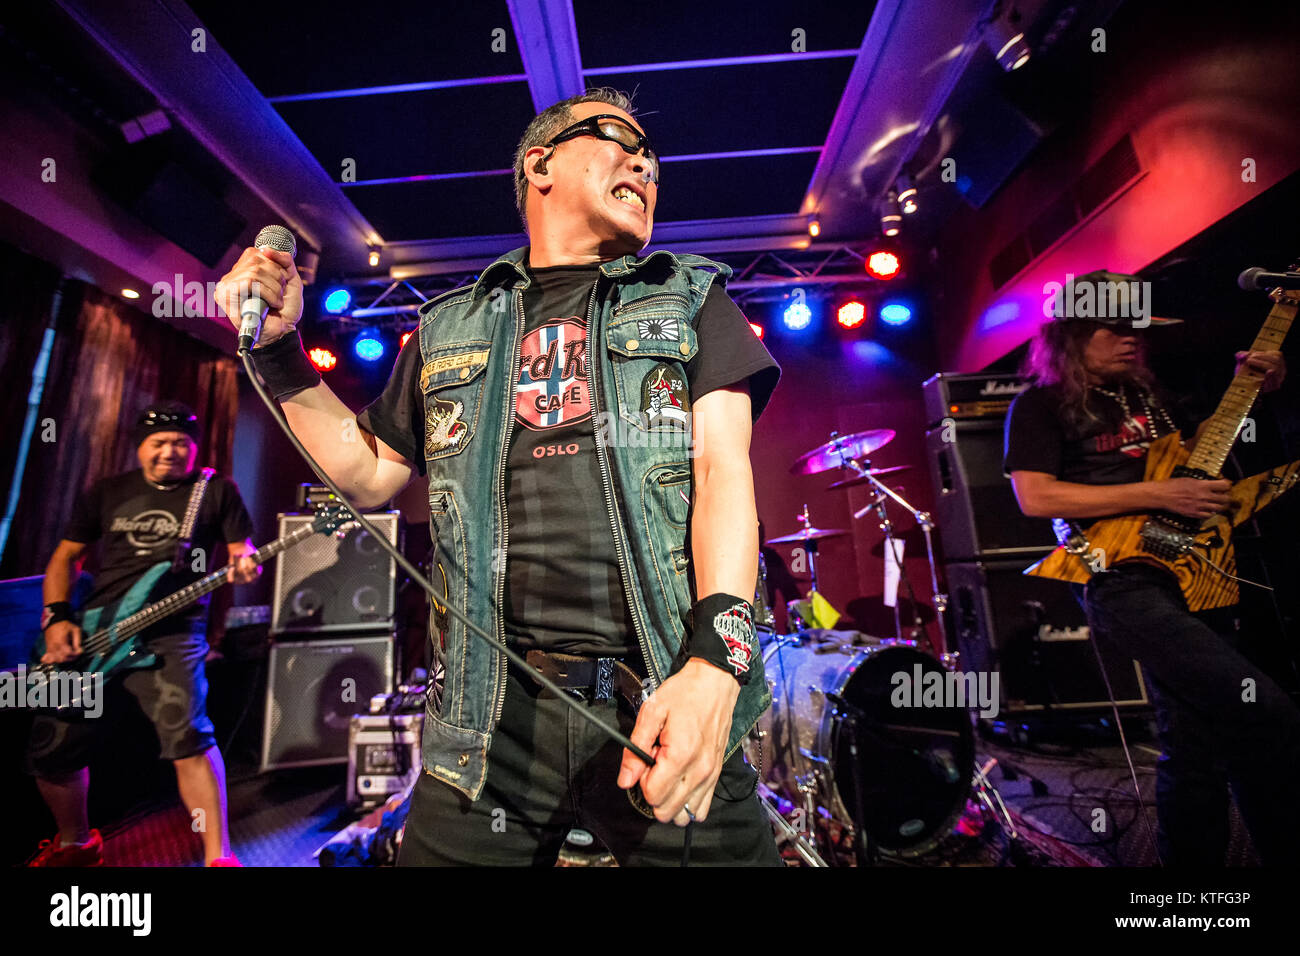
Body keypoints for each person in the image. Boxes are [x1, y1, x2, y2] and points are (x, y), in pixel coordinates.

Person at [216, 88, 784, 866]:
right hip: (488, 718)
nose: (645, 162)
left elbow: (723, 472)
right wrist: (279, 352)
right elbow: (369, 473)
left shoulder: (690, 298)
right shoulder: (449, 325)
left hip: (657, 696)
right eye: (620, 138)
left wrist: (717, 666)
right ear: (539, 164)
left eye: (652, 155)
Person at [1003, 272, 1300, 864]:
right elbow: (1036, 498)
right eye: (1112, 329)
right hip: (1121, 578)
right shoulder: (1039, 405)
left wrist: (1261, 396)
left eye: (1135, 329)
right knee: (1265, 710)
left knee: (1198, 745)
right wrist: (1158, 496)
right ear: (1071, 335)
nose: (1129, 339)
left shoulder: (1157, 396)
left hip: (1202, 570)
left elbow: (1221, 459)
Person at [28, 400, 260, 867]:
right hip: (95, 631)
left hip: (175, 631)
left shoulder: (213, 490)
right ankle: (74, 844)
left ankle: (219, 857)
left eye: (181, 443)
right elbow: (63, 558)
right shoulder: (108, 491)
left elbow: (243, 550)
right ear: (140, 447)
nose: (171, 452)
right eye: (159, 443)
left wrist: (245, 564)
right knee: (53, 746)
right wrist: (57, 617)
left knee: (189, 738)